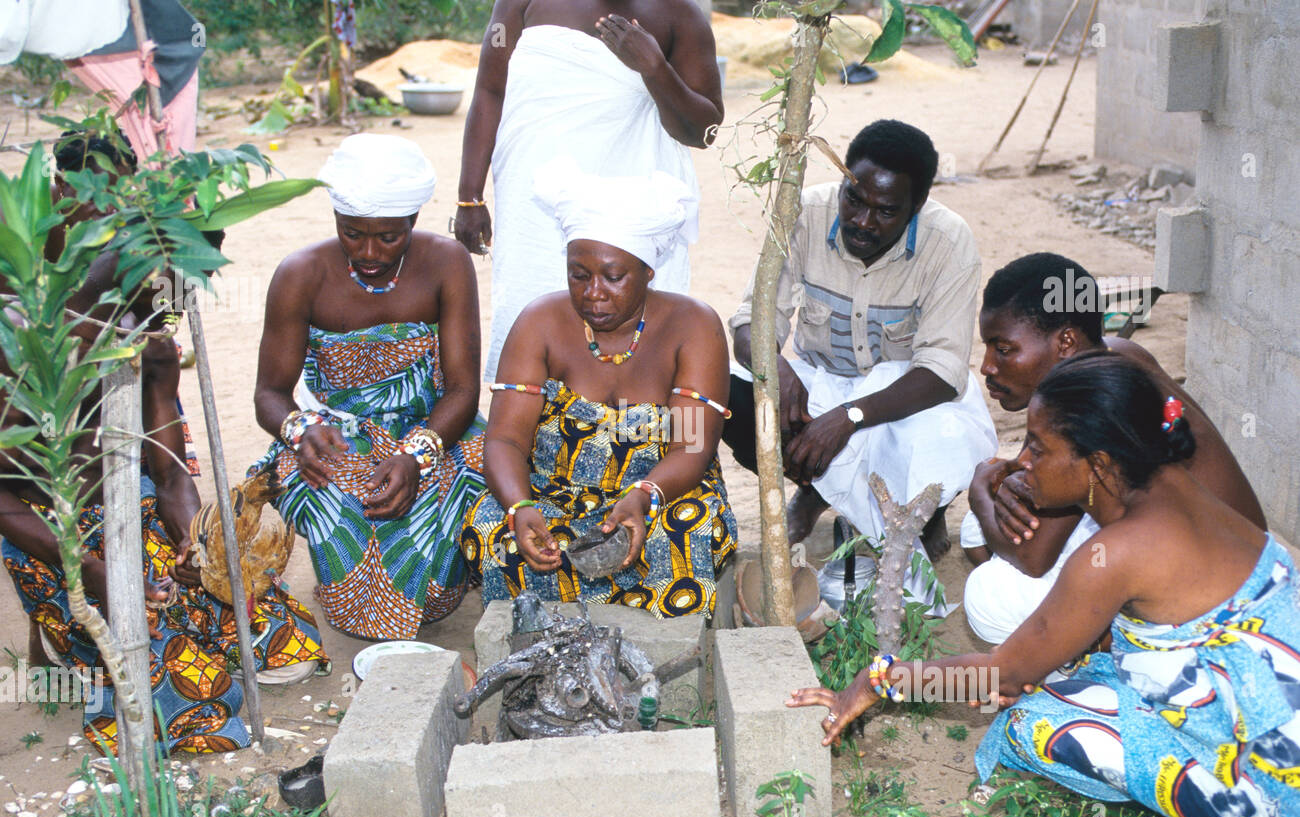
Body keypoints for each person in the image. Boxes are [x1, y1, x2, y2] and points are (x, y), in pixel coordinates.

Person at [790, 351, 1300, 817]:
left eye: (1037, 447)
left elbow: (1001, 677)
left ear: (1098, 463)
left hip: (1283, 793)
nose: (1023, 462)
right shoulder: (1171, 483)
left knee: (1032, 721)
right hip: (1268, 715)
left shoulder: (1117, 554)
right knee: (1088, 665)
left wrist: (879, 680)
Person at [0, 139, 326, 755]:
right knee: (170, 664)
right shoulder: (16, 328)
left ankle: (139, 623)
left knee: (273, 631)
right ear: (61, 197)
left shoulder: (147, 339)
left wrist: (195, 542)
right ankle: (87, 642)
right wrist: (91, 572)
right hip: (47, 531)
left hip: (132, 503)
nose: (168, 303)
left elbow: (171, 474)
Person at [460, 159, 737, 618]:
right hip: (554, 495)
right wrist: (521, 506)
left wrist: (644, 497)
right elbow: (506, 438)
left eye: (613, 276)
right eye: (579, 274)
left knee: (689, 531)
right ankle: (543, 634)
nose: (593, 293)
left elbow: (691, 447)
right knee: (492, 529)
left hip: (663, 491)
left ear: (648, 271)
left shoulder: (693, 327)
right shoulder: (540, 323)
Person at [723, 119, 996, 584]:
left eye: (886, 211)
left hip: (902, 404)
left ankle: (920, 512)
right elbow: (753, 319)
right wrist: (777, 369)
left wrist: (848, 418)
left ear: (918, 205)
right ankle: (815, 492)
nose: (862, 222)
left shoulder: (949, 242)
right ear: (844, 178)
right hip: (817, 388)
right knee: (735, 395)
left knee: (945, 438)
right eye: (854, 199)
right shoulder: (804, 213)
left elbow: (943, 369)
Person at [250, 134, 486, 640]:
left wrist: (416, 456)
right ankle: (355, 596)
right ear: (336, 220)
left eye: (389, 238)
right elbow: (269, 393)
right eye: (353, 235)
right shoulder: (301, 275)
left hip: (436, 427)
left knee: (488, 465)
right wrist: (301, 430)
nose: (370, 252)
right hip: (338, 432)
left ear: (414, 222)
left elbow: (464, 389)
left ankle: (451, 582)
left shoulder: (447, 263)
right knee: (329, 492)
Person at [963, 253, 1267, 643]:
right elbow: (1034, 473)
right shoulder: (1115, 352)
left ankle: (1103, 643)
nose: (987, 366)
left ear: (1066, 342)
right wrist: (1004, 487)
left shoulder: (1085, 407)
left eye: (1003, 349)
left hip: (1220, 604)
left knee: (991, 594)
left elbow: (1031, 558)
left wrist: (977, 492)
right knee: (982, 530)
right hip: (1227, 555)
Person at [454, 0, 722, 381]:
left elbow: (704, 132)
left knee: (623, 326)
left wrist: (655, 69)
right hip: (531, 206)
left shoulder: (679, 15)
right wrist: (470, 195)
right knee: (530, 314)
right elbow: (489, 90)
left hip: (624, 213)